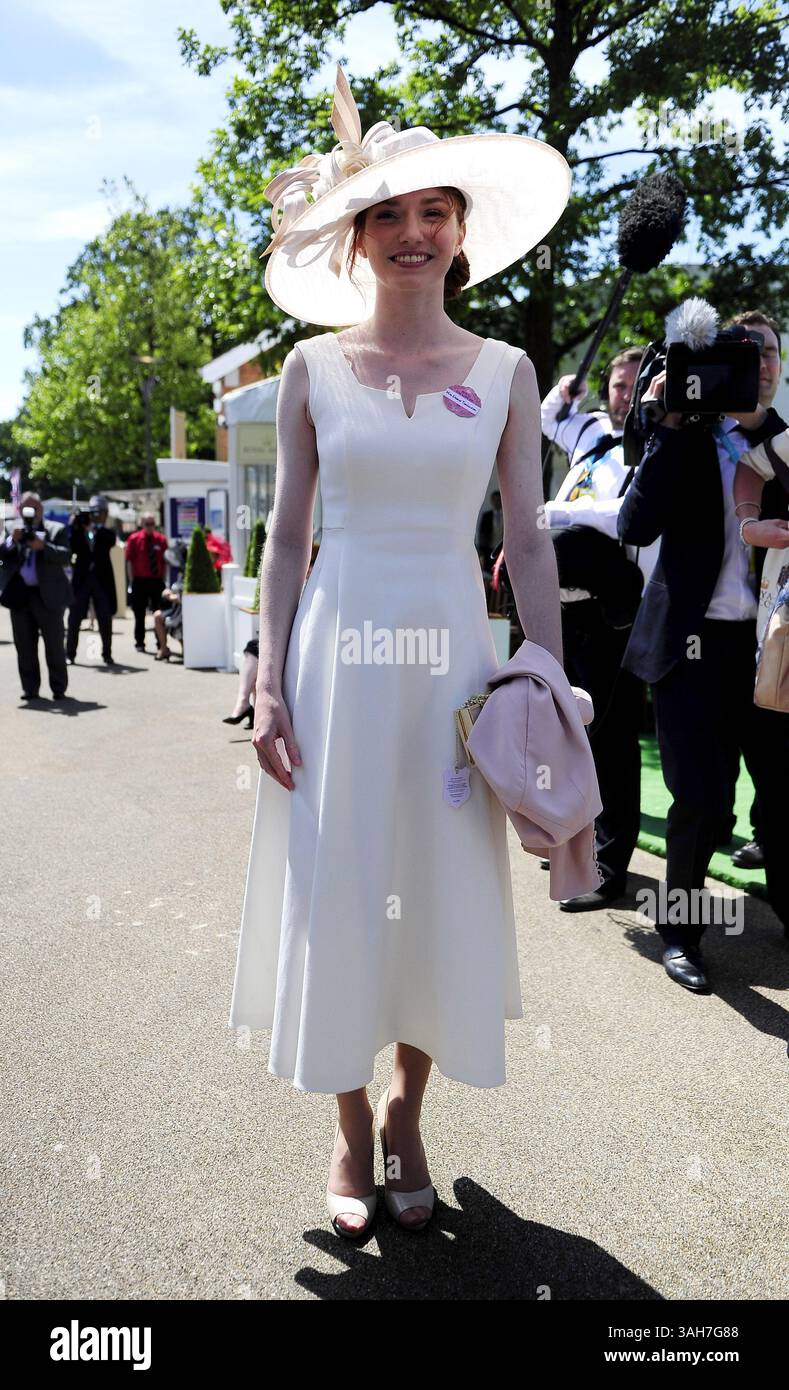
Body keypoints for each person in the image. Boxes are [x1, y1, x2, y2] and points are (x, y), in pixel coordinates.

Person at [227, 64, 572, 1240]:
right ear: (357, 239)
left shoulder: (508, 373)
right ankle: (346, 1127)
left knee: (429, 888)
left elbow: (526, 540)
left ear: (461, 230)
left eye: (433, 210)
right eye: (388, 213)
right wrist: (266, 677)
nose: (413, 231)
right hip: (333, 668)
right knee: (342, 888)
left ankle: (409, 1110)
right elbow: (285, 542)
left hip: (452, 676)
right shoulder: (308, 372)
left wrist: (549, 680)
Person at [617, 310, 789, 992]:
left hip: (766, 648)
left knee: (779, 795)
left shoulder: (783, 444)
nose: (763, 364)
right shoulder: (684, 437)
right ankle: (679, 934)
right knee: (697, 798)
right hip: (688, 647)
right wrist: (664, 424)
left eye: (771, 353)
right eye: (747, 355)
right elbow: (634, 523)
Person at [540, 349, 656, 910]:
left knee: (611, 740)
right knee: (570, 728)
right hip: (566, 611)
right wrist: (563, 394)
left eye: (635, 386)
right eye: (616, 384)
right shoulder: (588, 431)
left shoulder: (652, 444)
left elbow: (624, 517)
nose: (623, 394)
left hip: (613, 614)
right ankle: (572, 837)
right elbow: (545, 419)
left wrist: (557, 516)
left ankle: (609, 867)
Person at [0, 491, 73, 700]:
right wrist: (11, 542)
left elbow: (66, 556)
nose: (30, 512)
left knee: (54, 645)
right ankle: (30, 689)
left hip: (48, 596)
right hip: (20, 596)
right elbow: (1, 557)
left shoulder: (55, 529)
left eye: (34, 508)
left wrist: (44, 547)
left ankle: (59, 688)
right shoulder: (11, 529)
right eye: (26, 508)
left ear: (41, 509)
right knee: (24, 646)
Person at [66, 495, 117, 666]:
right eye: (94, 512)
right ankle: (70, 653)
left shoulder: (107, 532)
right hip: (82, 580)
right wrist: (74, 525)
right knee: (74, 617)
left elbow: (108, 541)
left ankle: (107, 654)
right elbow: (71, 546)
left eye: (100, 512)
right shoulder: (79, 530)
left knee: (105, 617)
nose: (96, 515)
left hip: (101, 580)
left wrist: (92, 529)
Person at [125, 513, 168, 651]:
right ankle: (139, 643)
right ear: (142, 524)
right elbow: (129, 561)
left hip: (156, 581)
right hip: (140, 581)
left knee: (159, 613)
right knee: (139, 614)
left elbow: (165, 562)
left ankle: (160, 643)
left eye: (152, 524)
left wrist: (164, 579)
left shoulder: (161, 539)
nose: (150, 527)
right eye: (147, 524)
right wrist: (131, 581)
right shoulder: (134, 539)